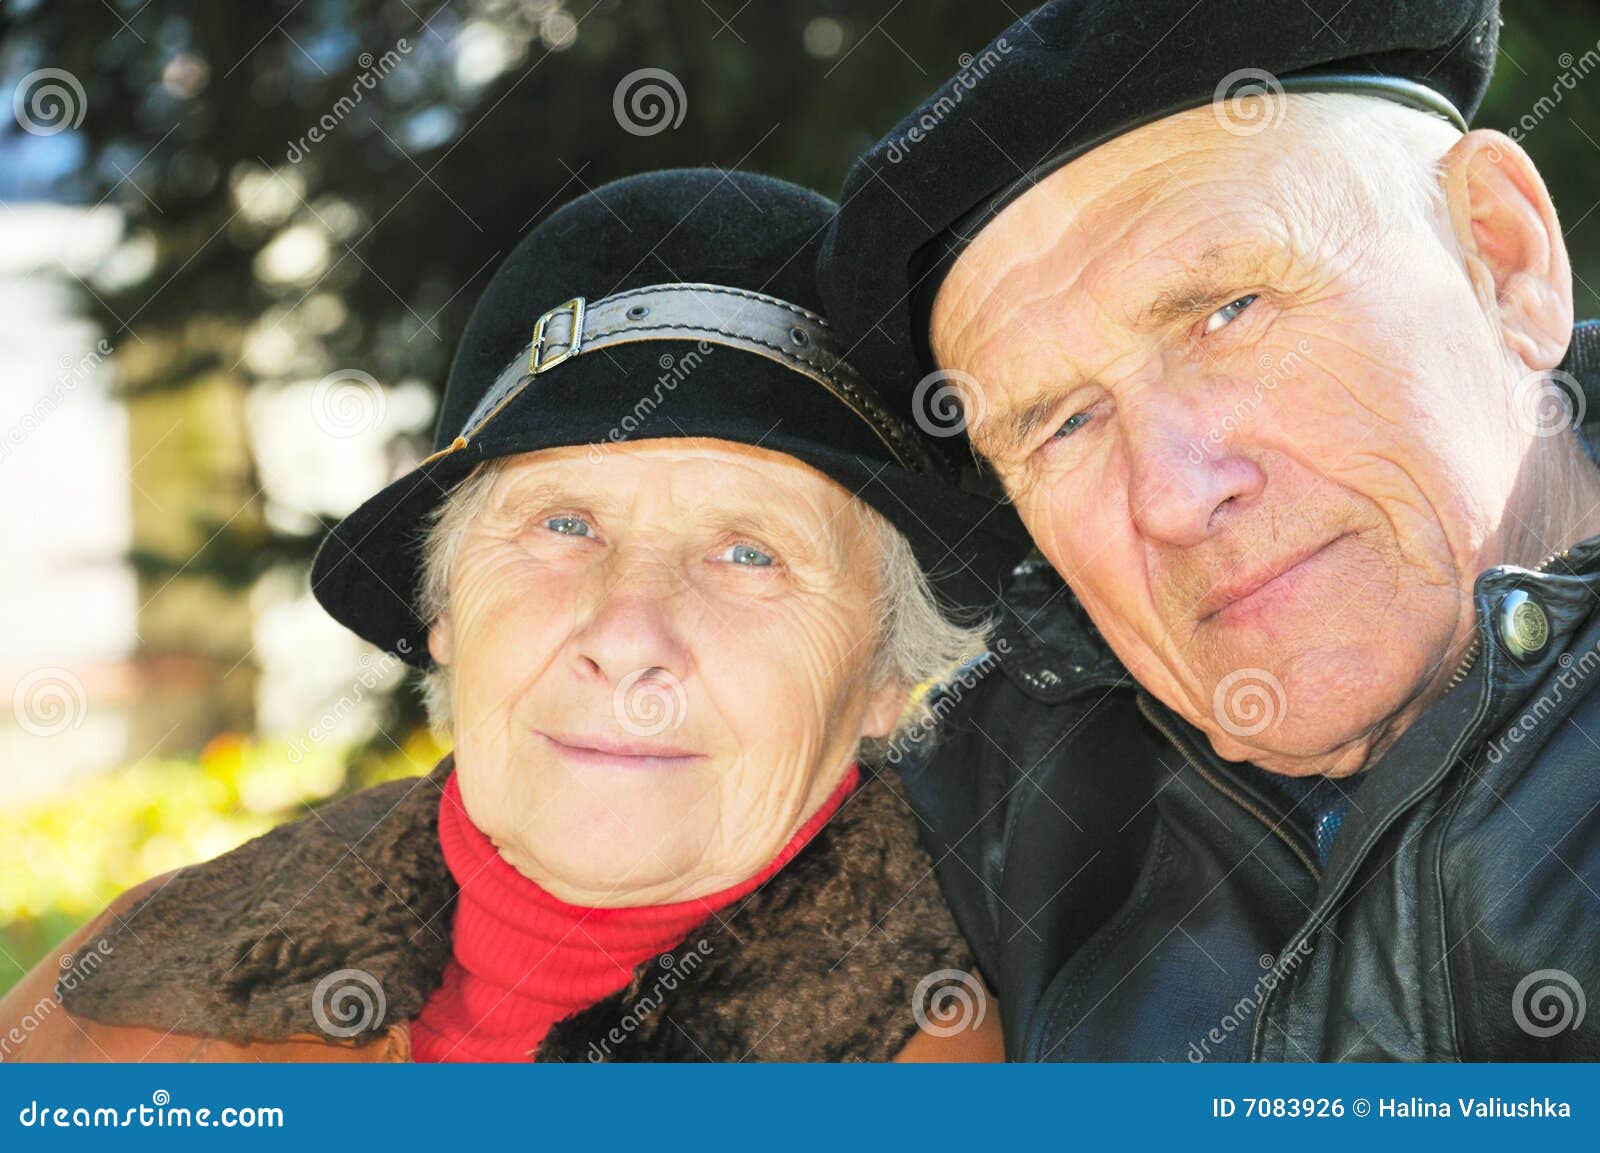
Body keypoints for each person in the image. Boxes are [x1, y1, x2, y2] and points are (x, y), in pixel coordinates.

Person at [0, 169, 1025, 1062]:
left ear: (888, 669)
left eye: (748, 552)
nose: (627, 634)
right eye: (565, 523)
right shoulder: (133, 981)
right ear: (445, 602)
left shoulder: (1039, 1050)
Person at [820, 0, 1600, 1060]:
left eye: (1228, 311)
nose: (1172, 496)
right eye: (1062, 423)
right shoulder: (963, 815)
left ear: (1504, 260)